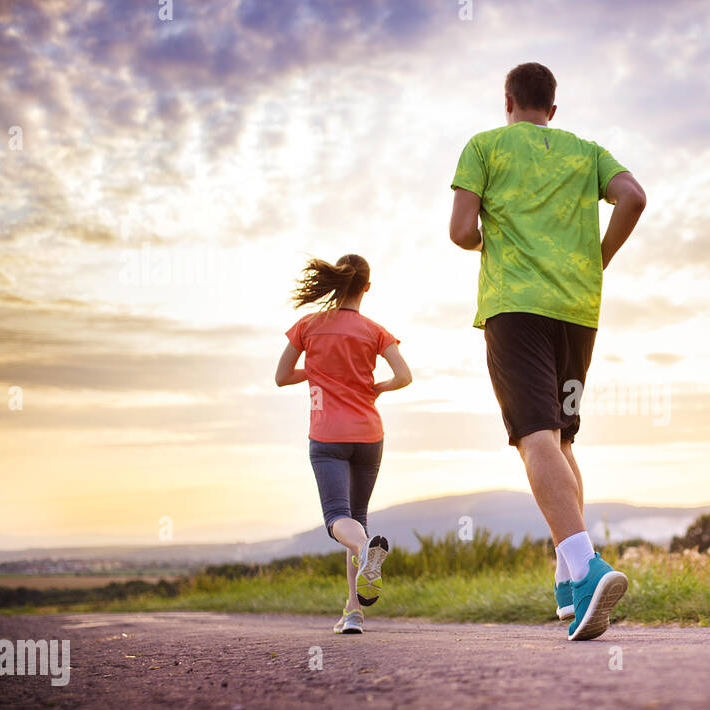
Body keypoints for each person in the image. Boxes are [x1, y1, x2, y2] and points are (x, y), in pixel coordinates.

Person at [448, 62, 647, 641]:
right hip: (577, 311)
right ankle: (566, 580)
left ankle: (587, 569)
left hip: (516, 307)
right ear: (552, 109)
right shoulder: (586, 152)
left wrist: (492, 241)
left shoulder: (485, 146)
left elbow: (460, 231)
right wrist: (597, 260)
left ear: (507, 100)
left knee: (534, 436)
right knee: (559, 438)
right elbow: (633, 197)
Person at [274, 254, 413, 634]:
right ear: (366, 287)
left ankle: (364, 564)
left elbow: (281, 376)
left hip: (327, 437)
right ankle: (353, 612)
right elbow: (403, 376)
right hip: (369, 434)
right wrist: (378, 387)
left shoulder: (308, 326)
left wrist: (317, 369)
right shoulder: (374, 330)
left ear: (337, 283)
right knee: (358, 524)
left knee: (338, 519)